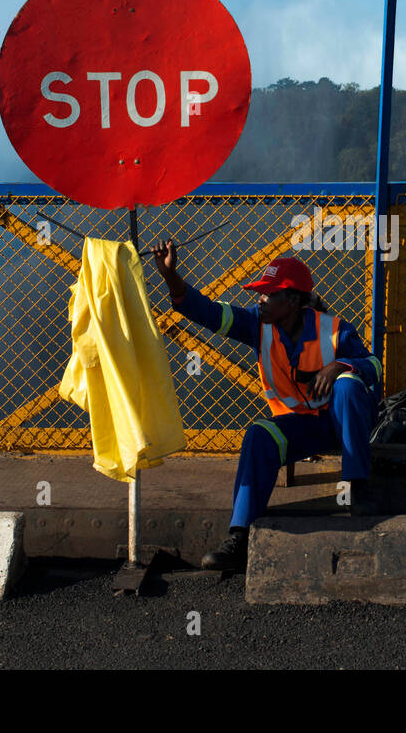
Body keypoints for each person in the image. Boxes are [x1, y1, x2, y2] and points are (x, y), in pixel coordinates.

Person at [149, 239, 382, 572]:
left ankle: (358, 487)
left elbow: (375, 366)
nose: (260, 299)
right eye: (260, 293)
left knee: (347, 385)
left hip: (345, 423)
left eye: (269, 294)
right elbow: (206, 311)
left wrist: (339, 366)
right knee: (259, 433)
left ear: (292, 300)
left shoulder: (334, 330)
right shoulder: (257, 326)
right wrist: (171, 276)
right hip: (303, 428)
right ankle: (239, 537)